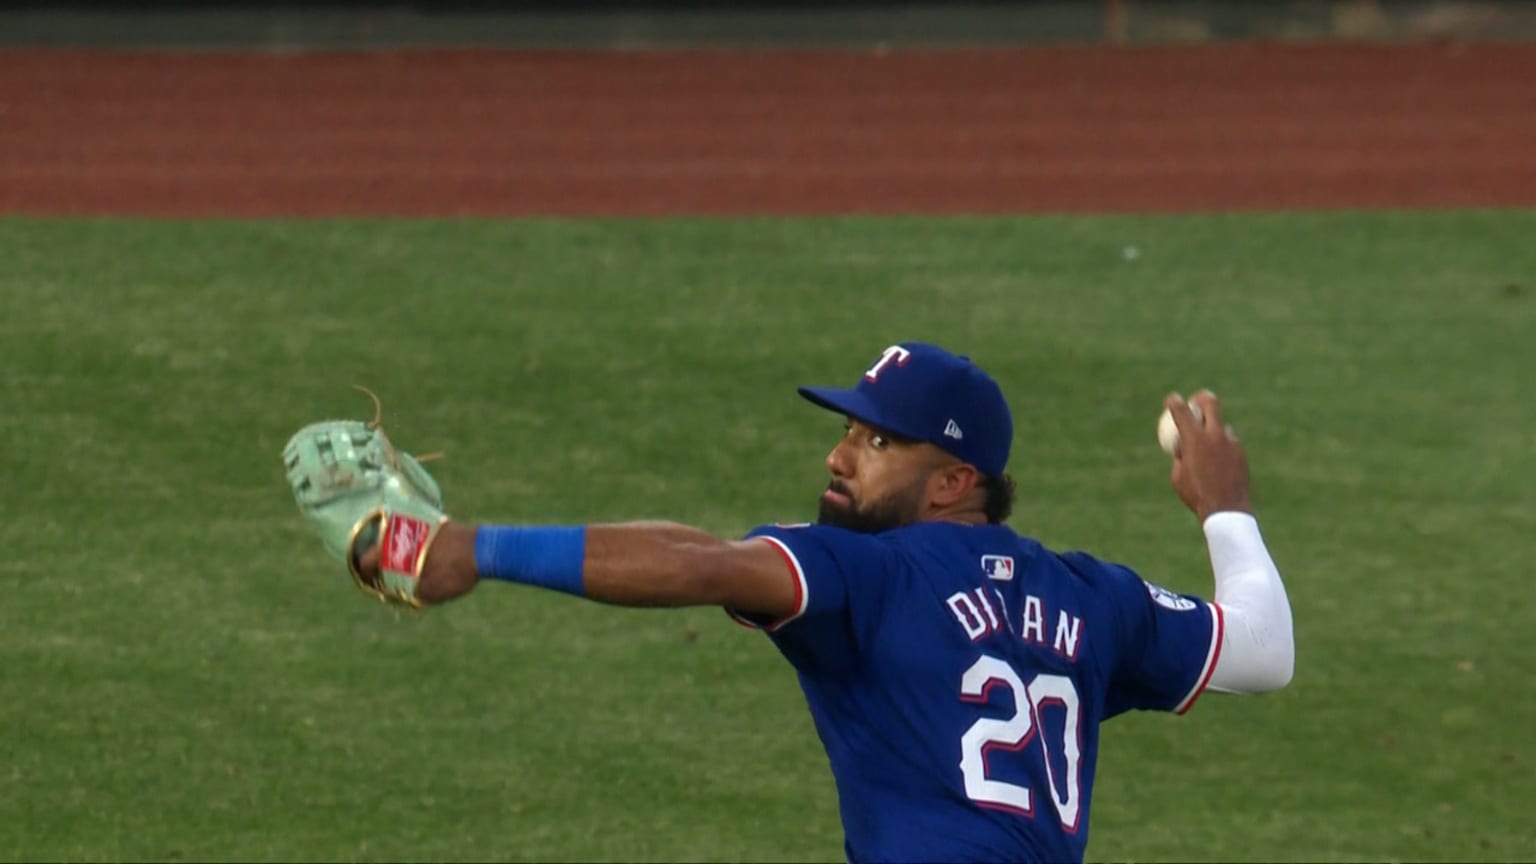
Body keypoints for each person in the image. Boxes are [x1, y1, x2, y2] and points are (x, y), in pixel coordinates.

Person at [360, 342, 1294, 863]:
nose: (837, 459)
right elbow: (1260, 648)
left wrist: (472, 552)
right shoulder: (1093, 598)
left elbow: (704, 564)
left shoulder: (870, 576)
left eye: (875, 442)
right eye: (846, 432)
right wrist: (1225, 510)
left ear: (952, 480)